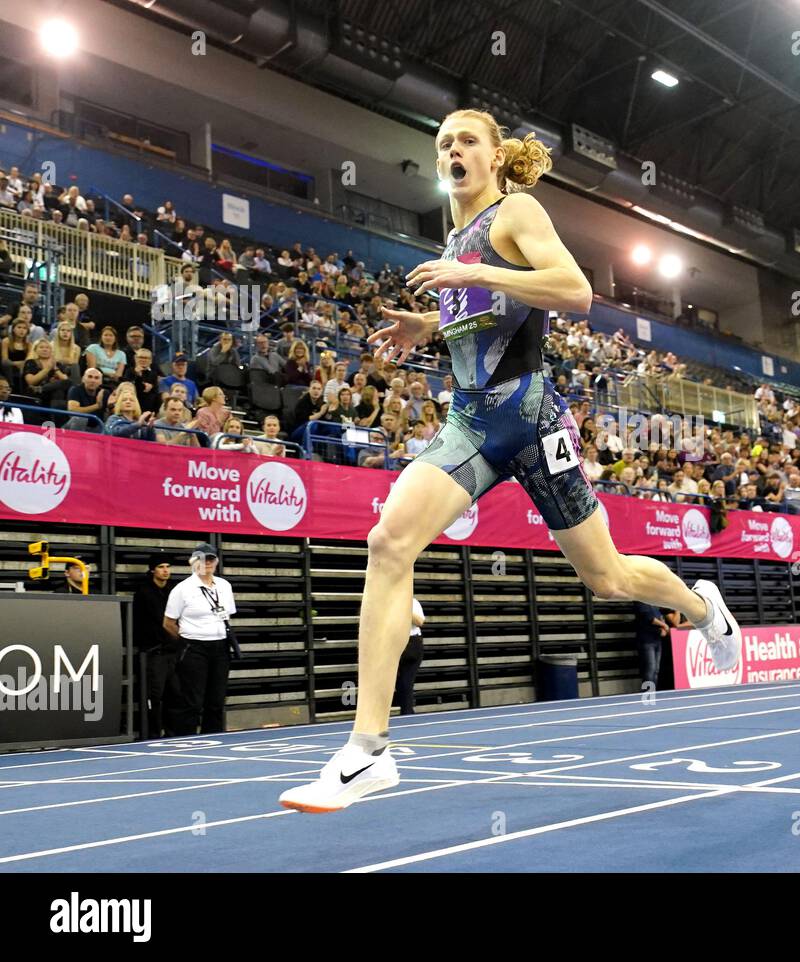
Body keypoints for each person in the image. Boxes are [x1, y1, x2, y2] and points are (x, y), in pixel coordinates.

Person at [279, 107, 740, 813]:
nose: (452, 150)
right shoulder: (457, 235)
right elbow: (488, 309)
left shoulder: (514, 212)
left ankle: (699, 606)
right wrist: (429, 324)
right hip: (470, 420)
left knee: (608, 579)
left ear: (495, 157)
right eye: (443, 144)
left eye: (466, 140)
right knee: (388, 540)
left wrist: (480, 273)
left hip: (532, 419)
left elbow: (574, 291)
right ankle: (368, 751)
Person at [163, 543, 238, 735]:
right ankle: (184, 738)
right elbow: (169, 623)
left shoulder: (224, 586)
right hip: (194, 646)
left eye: (211, 559)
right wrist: (187, 640)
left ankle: (214, 738)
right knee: (192, 700)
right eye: (203, 560)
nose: (207, 563)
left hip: (220, 646)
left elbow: (226, 615)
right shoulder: (183, 589)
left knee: (216, 699)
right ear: (194, 563)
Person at [133, 554, 179, 738]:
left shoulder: (173, 591)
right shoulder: (144, 592)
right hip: (154, 651)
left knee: (175, 694)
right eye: (161, 566)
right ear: (153, 569)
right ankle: (153, 734)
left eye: (168, 566)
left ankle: (173, 732)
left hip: (173, 651)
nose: (166, 570)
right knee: (155, 696)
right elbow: (160, 621)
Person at [392, 594, 426, 716]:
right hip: (393, 643)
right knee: (396, 683)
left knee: (406, 682)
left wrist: (404, 608)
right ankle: (408, 711)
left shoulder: (412, 602)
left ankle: (407, 714)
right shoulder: (386, 603)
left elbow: (420, 621)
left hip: (412, 643)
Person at [633, 601, 671, 691]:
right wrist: (664, 625)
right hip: (646, 640)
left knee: (656, 670)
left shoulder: (653, 603)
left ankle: (653, 691)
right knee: (650, 669)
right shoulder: (640, 602)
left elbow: (660, 616)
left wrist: (663, 626)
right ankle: (648, 692)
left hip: (656, 639)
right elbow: (650, 618)